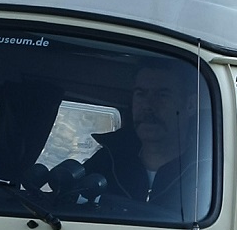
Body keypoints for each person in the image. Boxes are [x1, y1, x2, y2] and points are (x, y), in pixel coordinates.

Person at [76, 61, 198, 216]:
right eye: (141, 94)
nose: (148, 105)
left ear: (190, 105)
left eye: (162, 95)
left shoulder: (209, 173)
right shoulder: (105, 163)